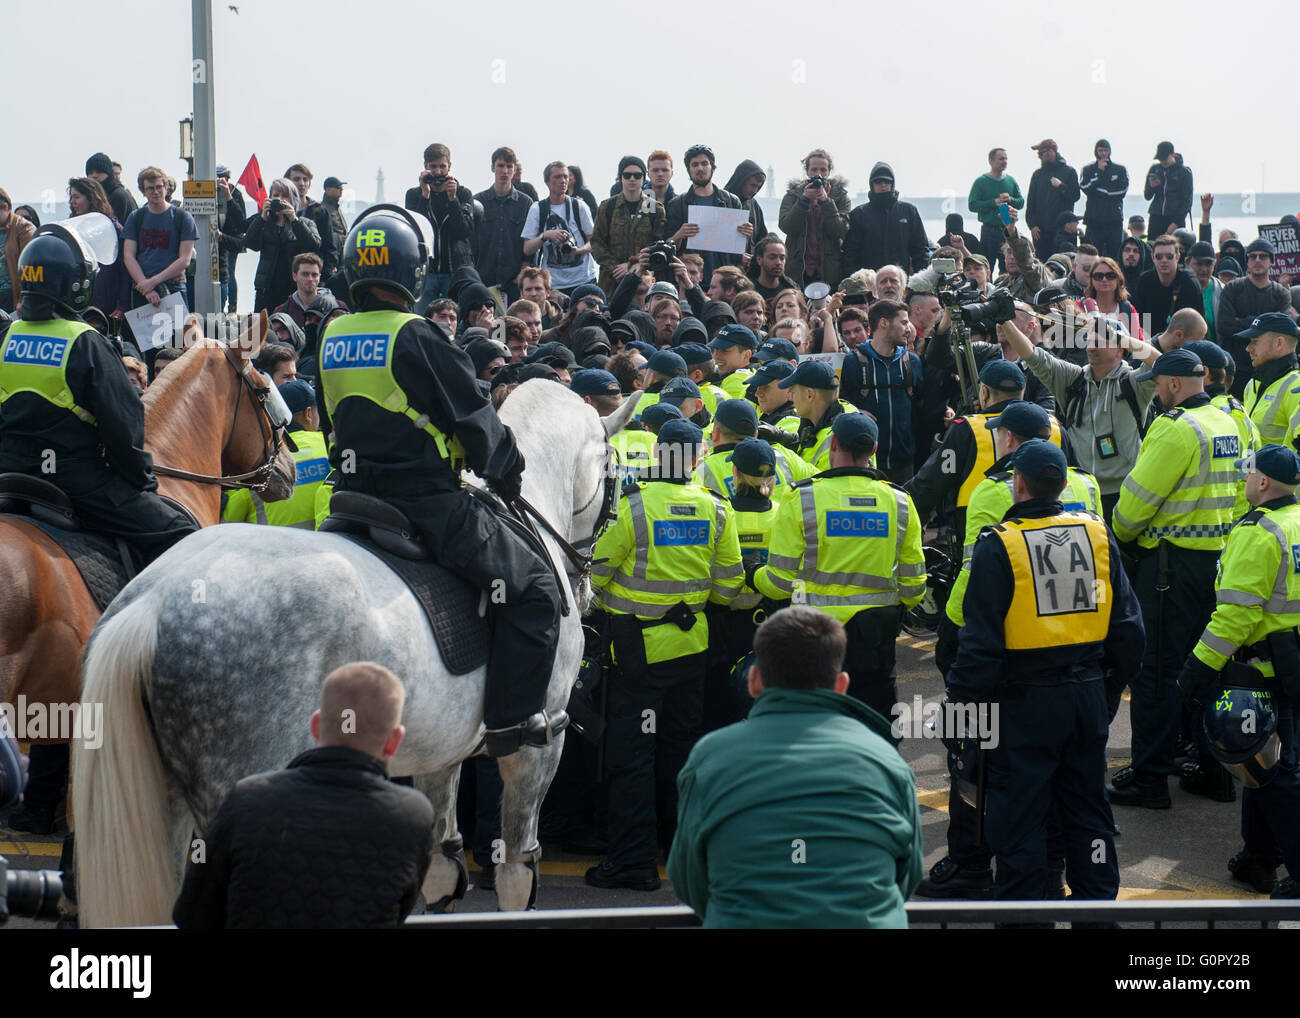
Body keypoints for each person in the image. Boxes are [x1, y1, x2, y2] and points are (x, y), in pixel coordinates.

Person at [318, 205, 566, 756]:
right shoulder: (418, 335)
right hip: (427, 502)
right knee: (534, 589)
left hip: (350, 497)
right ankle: (511, 720)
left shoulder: (331, 334)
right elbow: (475, 421)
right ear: (410, 270)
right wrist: (507, 471)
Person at [945, 439, 1143, 909]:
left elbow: (981, 646)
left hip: (1025, 703)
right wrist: (1106, 693)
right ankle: (1097, 913)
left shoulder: (1001, 544)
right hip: (1086, 694)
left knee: (1018, 820)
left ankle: (1026, 917)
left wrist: (959, 711)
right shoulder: (1096, 533)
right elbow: (1130, 632)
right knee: (1088, 812)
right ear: (1062, 486)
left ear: (1018, 484)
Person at [917, 407, 1102, 899]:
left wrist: (951, 641)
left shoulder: (994, 492)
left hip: (1006, 662)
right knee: (1076, 794)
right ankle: (1059, 871)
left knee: (973, 761)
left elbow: (972, 576)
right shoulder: (1084, 487)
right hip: (1079, 667)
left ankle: (970, 861)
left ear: (1010, 442)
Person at [667, 605, 922, 928]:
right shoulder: (887, 761)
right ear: (841, 685)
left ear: (754, 681)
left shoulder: (709, 757)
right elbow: (906, 876)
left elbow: (689, 878)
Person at [586, 418, 743, 890]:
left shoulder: (632, 508)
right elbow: (729, 585)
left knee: (631, 756)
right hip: (691, 647)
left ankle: (633, 861)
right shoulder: (717, 509)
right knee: (681, 748)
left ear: (659, 455)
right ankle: (679, 847)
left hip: (636, 653)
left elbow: (593, 578)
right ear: (696, 458)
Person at [173, 662, 434, 928]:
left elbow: (192, 914)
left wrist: (200, 851)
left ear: (315, 725)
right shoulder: (414, 816)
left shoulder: (246, 799)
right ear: (395, 740)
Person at [0, 223, 199, 569]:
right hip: (75, 480)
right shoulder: (86, 341)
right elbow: (124, 427)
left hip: (9, 472)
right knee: (181, 534)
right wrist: (141, 480)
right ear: (75, 286)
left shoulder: (6, 336)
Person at [1107, 349, 1242, 809]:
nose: (1157, 391)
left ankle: (1149, 779)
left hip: (1169, 568)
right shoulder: (1227, 420)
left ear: (1176, 384)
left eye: (1160, 383)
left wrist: (1121, 536)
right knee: (1207, 666)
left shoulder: (1175, 428)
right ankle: (1211, 768)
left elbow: (1134, 505)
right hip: (1218, 563)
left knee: (1157, 673)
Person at [1177, 444, 1300, 898]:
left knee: (1276, 772)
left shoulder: (1258, 531)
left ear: (1263, 482)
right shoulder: (1296, 522)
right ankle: (1258, 858)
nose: (1244, 480)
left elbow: (1236, 616)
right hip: (1293, 664)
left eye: (1248, 474)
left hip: (1261, 672)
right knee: (1257, 764)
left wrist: (1196, 669)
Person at [751, 413, 925, 720]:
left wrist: (753, 574)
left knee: (816, 724)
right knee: (877, 724)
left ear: (833, 443)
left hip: (815, 638)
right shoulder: (899, 501)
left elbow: (779, 582)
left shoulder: (802, 498)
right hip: (875, 638)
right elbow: (913, 588)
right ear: (873, 451)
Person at [222, 380, 327, 529]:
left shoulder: (255, 461)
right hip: (327, 547)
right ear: (308, 413)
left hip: (270, 548)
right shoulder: (328, 449)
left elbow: (227, 523)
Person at [840, 298, 922, 484]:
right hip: (866, 461)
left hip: (905, 462)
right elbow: (841, 403)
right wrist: (855, 412)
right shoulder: (854, 362)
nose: (908, 328)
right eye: (903, 322)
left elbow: (922, 404)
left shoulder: (912, 362)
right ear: (884, 323)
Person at [1219, 241, 1295, 397]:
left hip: (1271, 369)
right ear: (1247, 261)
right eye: (1253, 256)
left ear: (1272, 261)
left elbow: (1283, 329)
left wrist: (1242, 321)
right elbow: (1225, 326)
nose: (1258, 260)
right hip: (1237, 368)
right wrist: (1265, 325)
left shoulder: (1281, 293)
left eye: (1263, 256)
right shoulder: (1233, 288)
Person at [665, 144, 751, 283]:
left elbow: (739, 251)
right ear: (689, 170)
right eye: (695, 165)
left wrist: (745, 234)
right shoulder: (677, 204)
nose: (700, 168)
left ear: (713, 167)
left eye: (705, 163)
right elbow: (667, 245)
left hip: (725, 279)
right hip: (690, 280)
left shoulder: (731, 201)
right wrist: (679, 235)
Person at [403, 143, 475, 301]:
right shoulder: (414, 195)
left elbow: (463, 231)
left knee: (454, 318)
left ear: (449, 166)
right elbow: (416, 231)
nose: (438, 172)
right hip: (427, 272)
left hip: (454, 271)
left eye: (442, 166)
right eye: (433, 167)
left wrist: (452, 200)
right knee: (422, 320)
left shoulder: (463, 193)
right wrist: (425, 195)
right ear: (425, 166)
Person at [243, 177, 322, 313]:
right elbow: (250, 243)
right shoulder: (263, 222)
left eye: (285, 196)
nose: (280, 200)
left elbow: (313, 245)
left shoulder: (304, 223)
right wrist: (262, 219)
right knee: (260, 330)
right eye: (276, 196)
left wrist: (294, 220)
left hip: (293, 288)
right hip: (267, 287)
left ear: (294, 199)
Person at [591, 156, 667, 296]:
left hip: (643, 280)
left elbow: (659, 244)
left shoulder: (655, 208)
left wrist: (633, 265)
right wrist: (615, 268)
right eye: (627, 175)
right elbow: (597, 243)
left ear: (644, 179)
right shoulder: (607, 207)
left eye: (637, 175)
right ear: (620, 178)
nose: (632, 179)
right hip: (611, 281)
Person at [522, 162, 597, 296]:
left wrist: (578, 250)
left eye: (565, 177)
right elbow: (527, 248)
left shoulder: (579, 206)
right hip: (553, 284)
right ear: (547, 181)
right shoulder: (537, 209)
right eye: (557, 177)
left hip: (584, 279)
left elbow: (594, 242)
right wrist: (545, 236)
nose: (562, 181)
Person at [777, 149, 850, 286]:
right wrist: (803, 201)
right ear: (807, 171)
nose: (818, 174)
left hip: (829, 271)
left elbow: (840, 231)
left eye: (823, 170)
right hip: (797, 270)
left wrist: (826, 202)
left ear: (829, 171)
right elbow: (786, 226)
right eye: (814, 169)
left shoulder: (840, 197)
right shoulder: (793, 195)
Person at [842, 162, 928, 275]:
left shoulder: (909, 211)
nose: (883, 185)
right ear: (871, 185)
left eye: (887, 182)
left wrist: (919, 281)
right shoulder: (859, 214)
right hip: (869, 284)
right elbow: (850, 253)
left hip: (901, 282)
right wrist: (856, 282)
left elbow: (920, 249)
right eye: (878, 182)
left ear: (892, 184)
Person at [473, 147, 532, 305]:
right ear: (493, 167)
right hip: (483, 278)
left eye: (509, 166)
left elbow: (530, 240)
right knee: (488, 327)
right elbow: (470, 241)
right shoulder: (478, 201)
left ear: (514, 170)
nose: (505, 171)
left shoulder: (526, 203)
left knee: (512, 327)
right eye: (500, 166)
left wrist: (523, 272)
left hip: (514, 280)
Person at [1236, 312, 1300, 446]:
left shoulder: (1295, 387)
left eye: (1255, 341)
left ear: (1279, 343)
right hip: (1250, 466)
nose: (1248, 348)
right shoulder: (1252, 384)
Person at [1132, 235, 1203, 336]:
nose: (1164, 260)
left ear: (1178, 257)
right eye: (1159, 257)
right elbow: (1139, 319)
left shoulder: (1189, 283)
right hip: (1150, 341)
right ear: (1152, 257)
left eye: (1169, 257)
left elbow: (1197, 323)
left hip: (1182, 341)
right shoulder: (1145, 281)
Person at [968, 147, 1025, 272]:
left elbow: (1021, 202)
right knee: (987, 265)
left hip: (1008, 230)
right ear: (991, 161)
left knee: (1008, 267)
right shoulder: (981, 182)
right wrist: (994, 202)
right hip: (989, 230)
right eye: (1001, 159)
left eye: (1005, 159)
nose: (1004, 161)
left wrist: (1010, 199)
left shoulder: (1010, 180)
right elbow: (972, 205)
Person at [1025, 140, 1080, 262]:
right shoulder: (1037, 175)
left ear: (1052, 151)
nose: (1040, 157)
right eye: (1039, 154)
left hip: (1063, 231)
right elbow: (1031, 202)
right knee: (1042, 265)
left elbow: (1075, 196)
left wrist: (1061, 186)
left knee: (1064, 263)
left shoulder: (1069, 172)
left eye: (1042, 153)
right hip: (1041, 231)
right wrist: (1032, 225)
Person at [285, 164, 339, 279]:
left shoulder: (318, 211)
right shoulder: (280, 210)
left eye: (305, 179)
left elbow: (329, 246)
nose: (301, 183)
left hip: (311, 277)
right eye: (296, 179)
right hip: (283, 275)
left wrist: (325, 275)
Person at [1078, 140, 1129, 260]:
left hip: (1114, 220)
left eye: (1106, 150)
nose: (1103, 153)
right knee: (1093, 256)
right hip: (1094, 221)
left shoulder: (1120, 169)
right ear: (1096, 151)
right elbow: (1085, 187)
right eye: (1100, 150)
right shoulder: (1088, 169)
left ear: (1110, 151)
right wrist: (1099, 173)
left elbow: (1122, 191)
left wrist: (1100, 192)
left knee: (1115, 257)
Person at [1145, 142, 1193, 240]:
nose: (1163, 162)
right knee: (1152, 246)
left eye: (1165, 158)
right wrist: (1152, 186)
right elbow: (1147, 196)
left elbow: (1187, 201)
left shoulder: (1184, 172)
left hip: (1175, 217)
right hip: (1156, 216)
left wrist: (1176, 222)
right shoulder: (1154, 169)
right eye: (1160, 159)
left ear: (1173, 155)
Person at [0, 186, 36, 315]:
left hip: (13, 299)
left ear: (5, 207)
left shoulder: (24, 229)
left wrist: (23, 300)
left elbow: (31, 266)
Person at [85, 151, 137, 226]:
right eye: (90, 172)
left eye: (99, 171)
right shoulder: (95, 197)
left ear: (109, 173)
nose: (94, 175)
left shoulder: (119, 195)